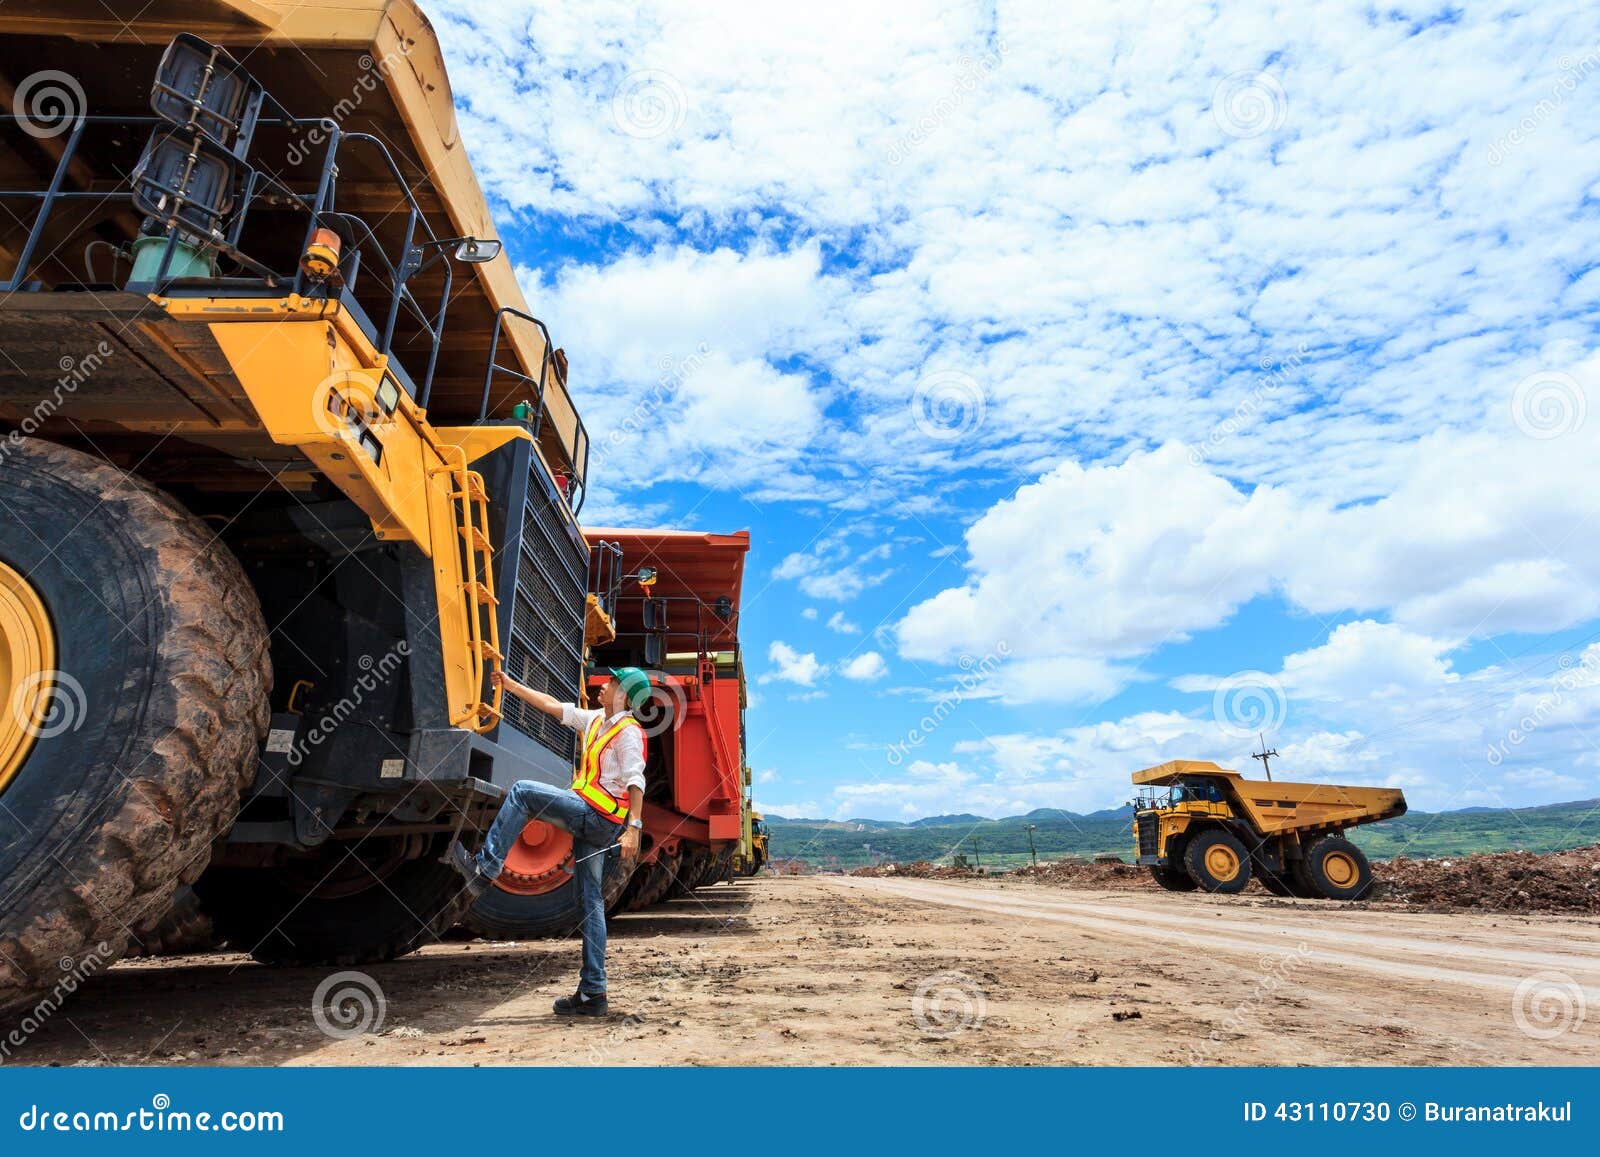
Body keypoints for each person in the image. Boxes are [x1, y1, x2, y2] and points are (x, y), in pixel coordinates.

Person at [449, 666, 652, 1017]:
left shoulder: (629, 732)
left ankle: (486, 868)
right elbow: (551, 705)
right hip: (594, 819)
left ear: (623, 695)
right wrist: (510, 684)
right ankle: (593, 993)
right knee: (590, 902)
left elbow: (637, 779)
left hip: (597, 818)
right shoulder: (595, 720)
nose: (604, 685)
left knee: (523, 793)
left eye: (612, 683)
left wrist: (634, 826)